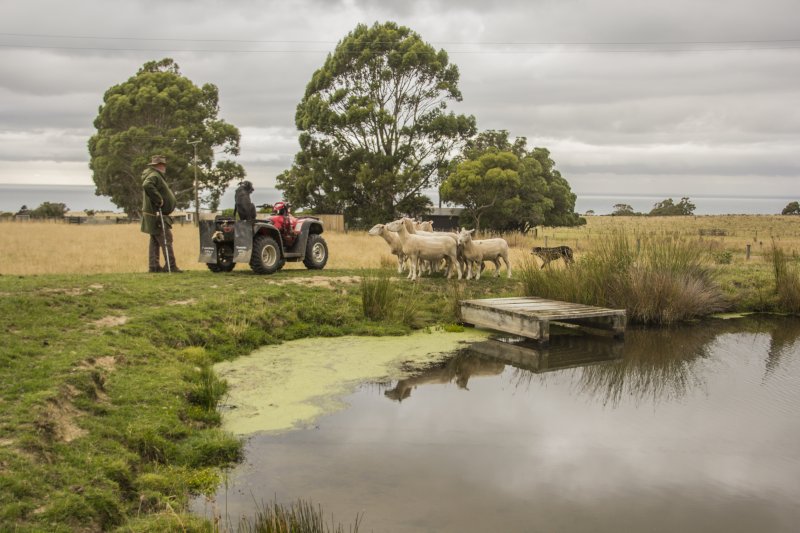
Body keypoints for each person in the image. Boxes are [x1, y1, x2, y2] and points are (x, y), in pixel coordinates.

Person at [140, 154, 182, 273]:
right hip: (156, 215)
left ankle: (154, 266)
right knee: (166, 239)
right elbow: (146, 185)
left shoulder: (154, 175)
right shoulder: (154, 175)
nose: (164, 166)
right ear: (158, 165)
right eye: (163, 164)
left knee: (154, 240)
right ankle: (171, 266)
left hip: (154, 215)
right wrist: (158, 199)